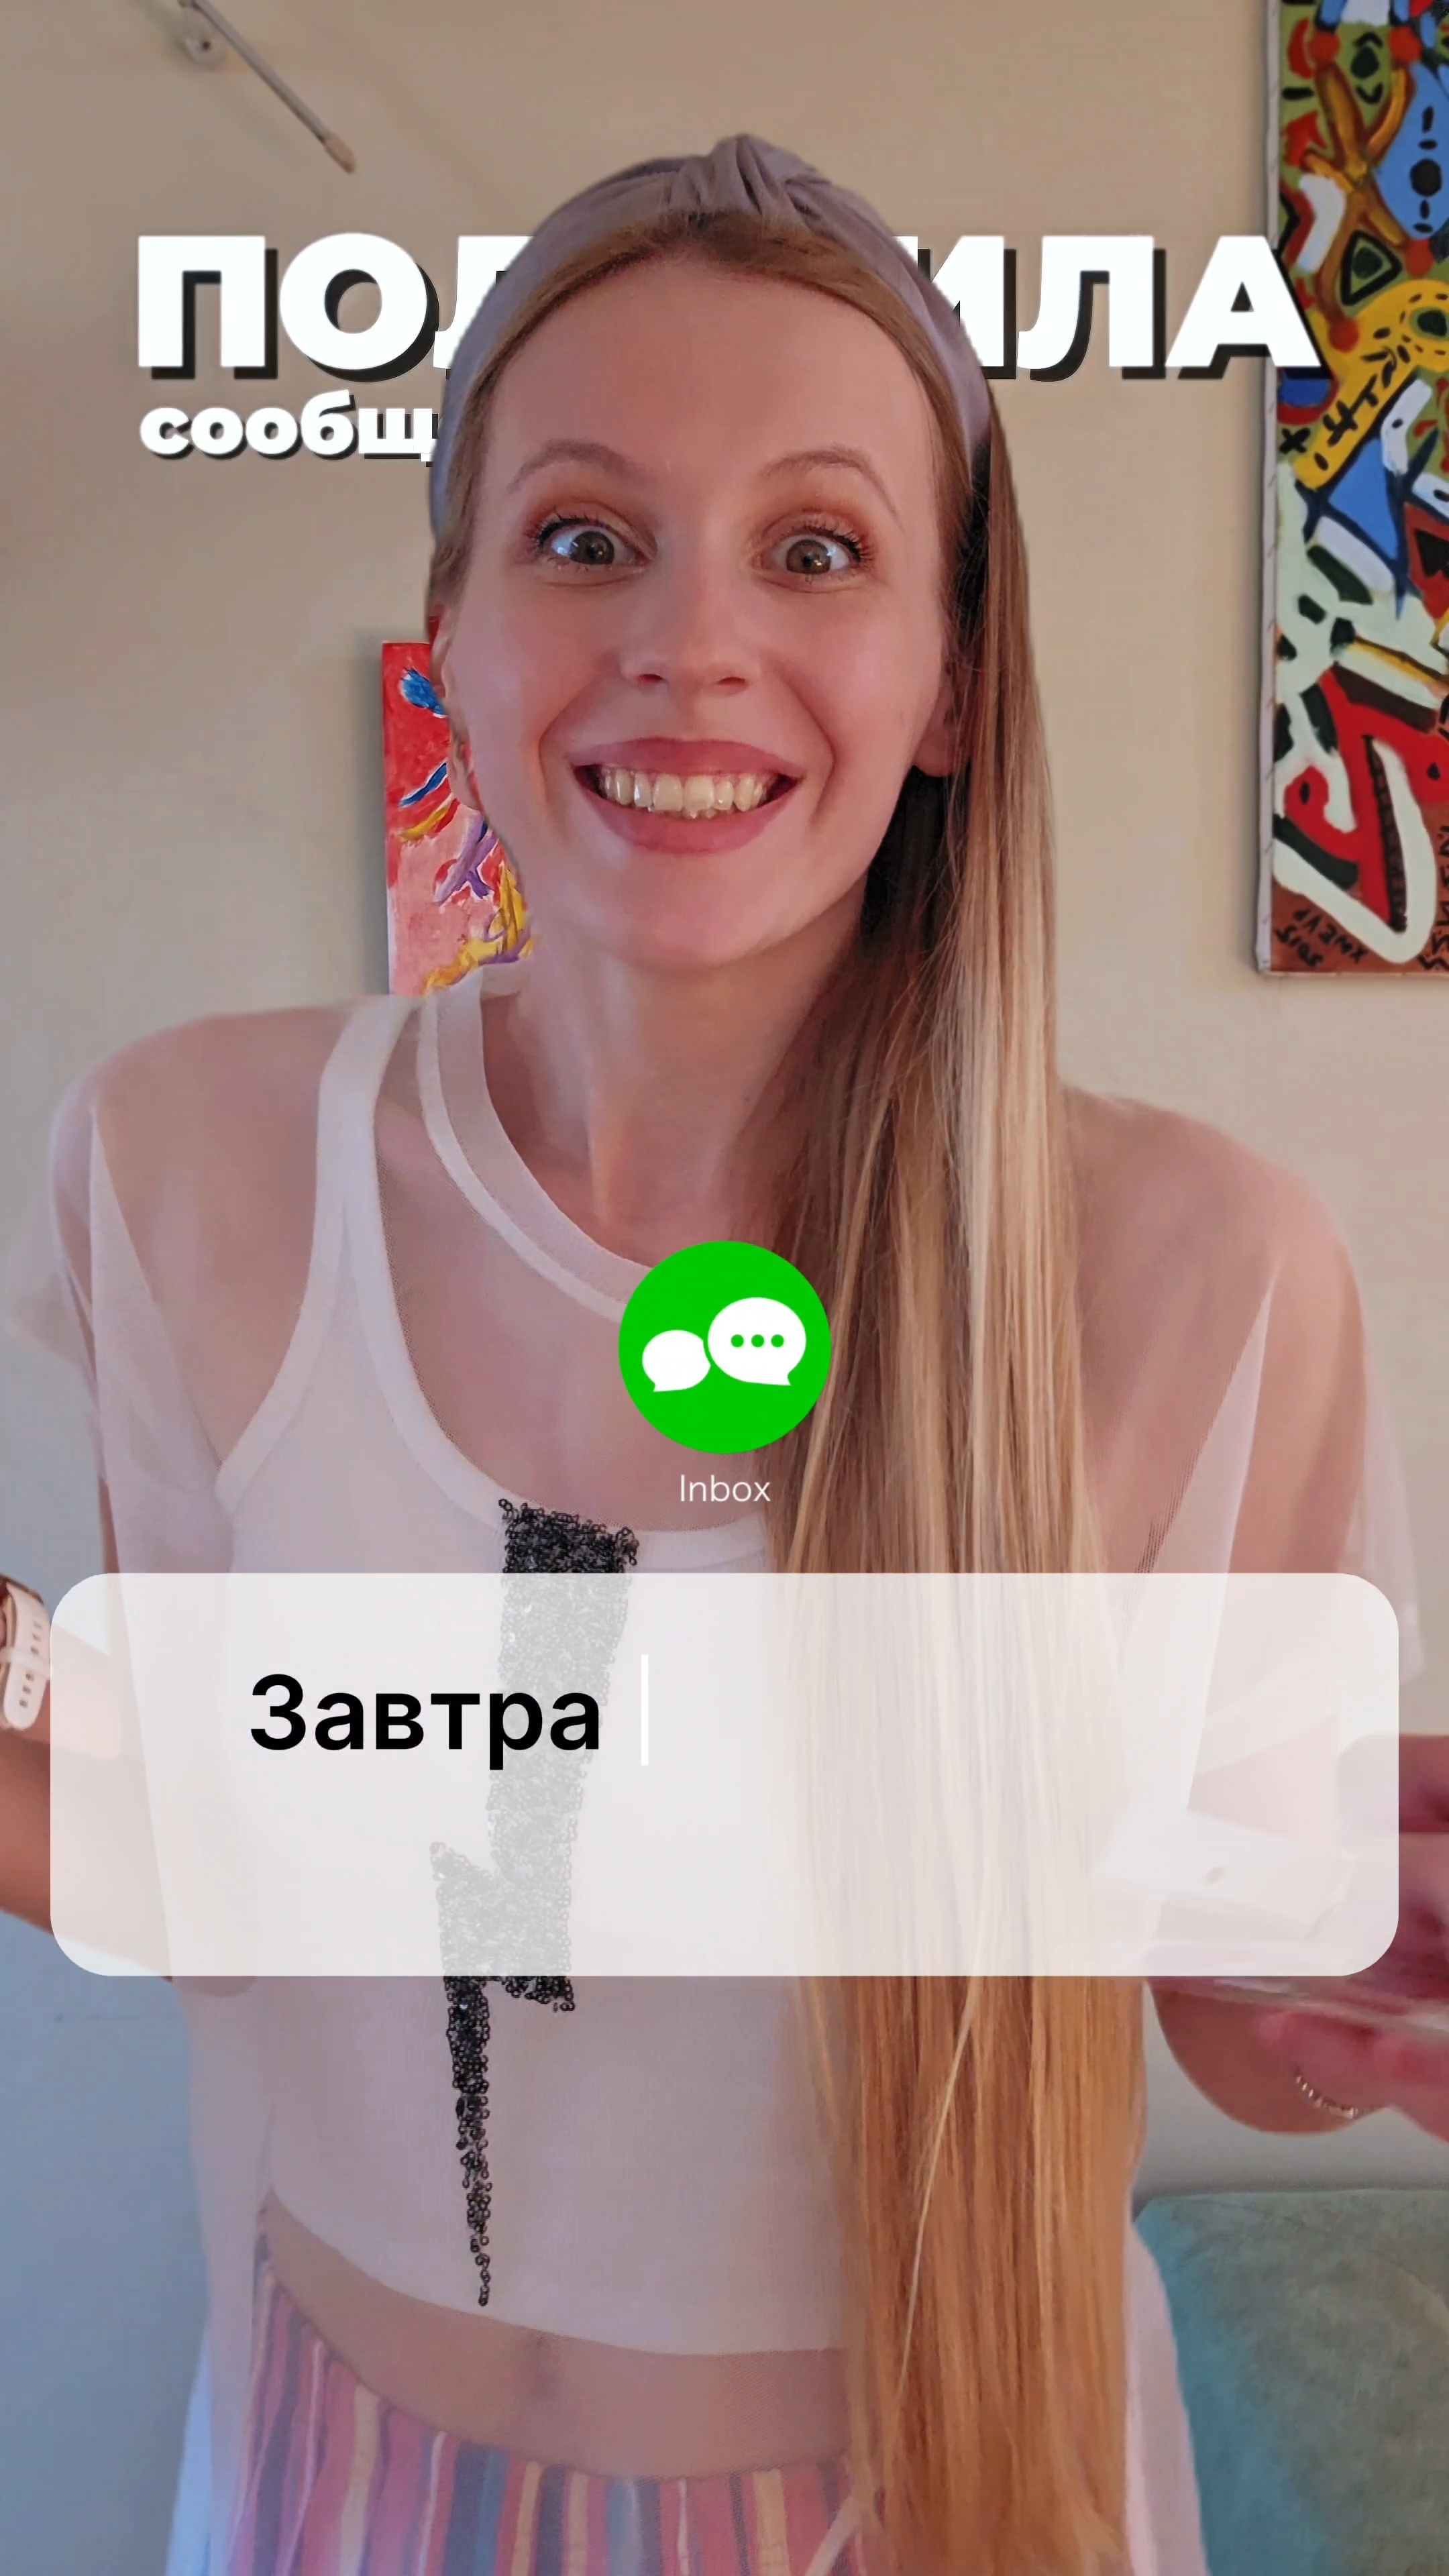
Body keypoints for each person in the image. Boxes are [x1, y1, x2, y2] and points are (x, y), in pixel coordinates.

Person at [2, 134, 1446, 2576]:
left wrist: (1363, 2007)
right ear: (454, 627)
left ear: (953, 676)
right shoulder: (181, 1162)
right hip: (323, 2482)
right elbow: (228, 1863)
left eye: (817, 549)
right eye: (585, 537)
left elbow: (1246, 2020)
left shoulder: (1205, 1273)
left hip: (946, 2507)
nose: (689, 641)